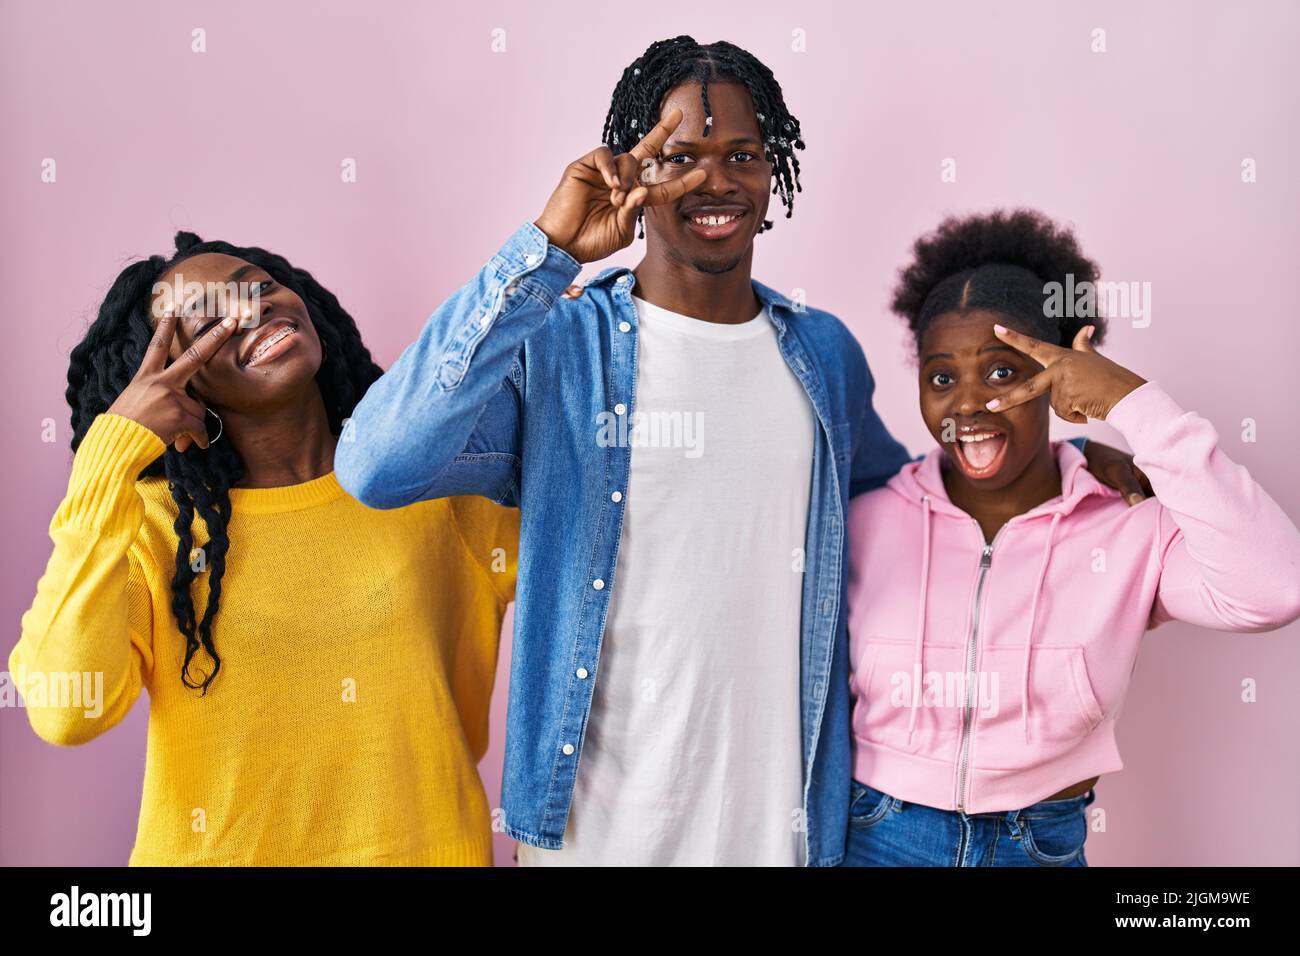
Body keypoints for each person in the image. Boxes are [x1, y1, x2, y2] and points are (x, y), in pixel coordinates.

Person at [336, 37, 1146, 867]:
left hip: (786, 836)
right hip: (600, 839)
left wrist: (1070, 458)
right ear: (637, 175)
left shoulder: (823, 355)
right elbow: (378, 464)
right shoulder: (560, 348)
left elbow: (913, 503)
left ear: (774, 176)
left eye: (743, 155)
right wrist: (544, 254)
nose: (715, 181)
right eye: (680, 156)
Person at [10, 232, 518, 865]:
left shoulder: (437, 482)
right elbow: (66, 712)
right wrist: (109, 457)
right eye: (210, 319)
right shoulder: (148, 525)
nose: (251, 310)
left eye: (260, 287)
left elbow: (607, 592)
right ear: (176, 377)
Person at [840, 209, 1300, 866]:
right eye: (943, 378)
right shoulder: (868, 517)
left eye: (1002, 372)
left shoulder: (1130, 522)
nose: (967, 403)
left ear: (1057, 377)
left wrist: (1129, 403)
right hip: (877, 835)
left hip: (1039, 843)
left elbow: (1276, 588)